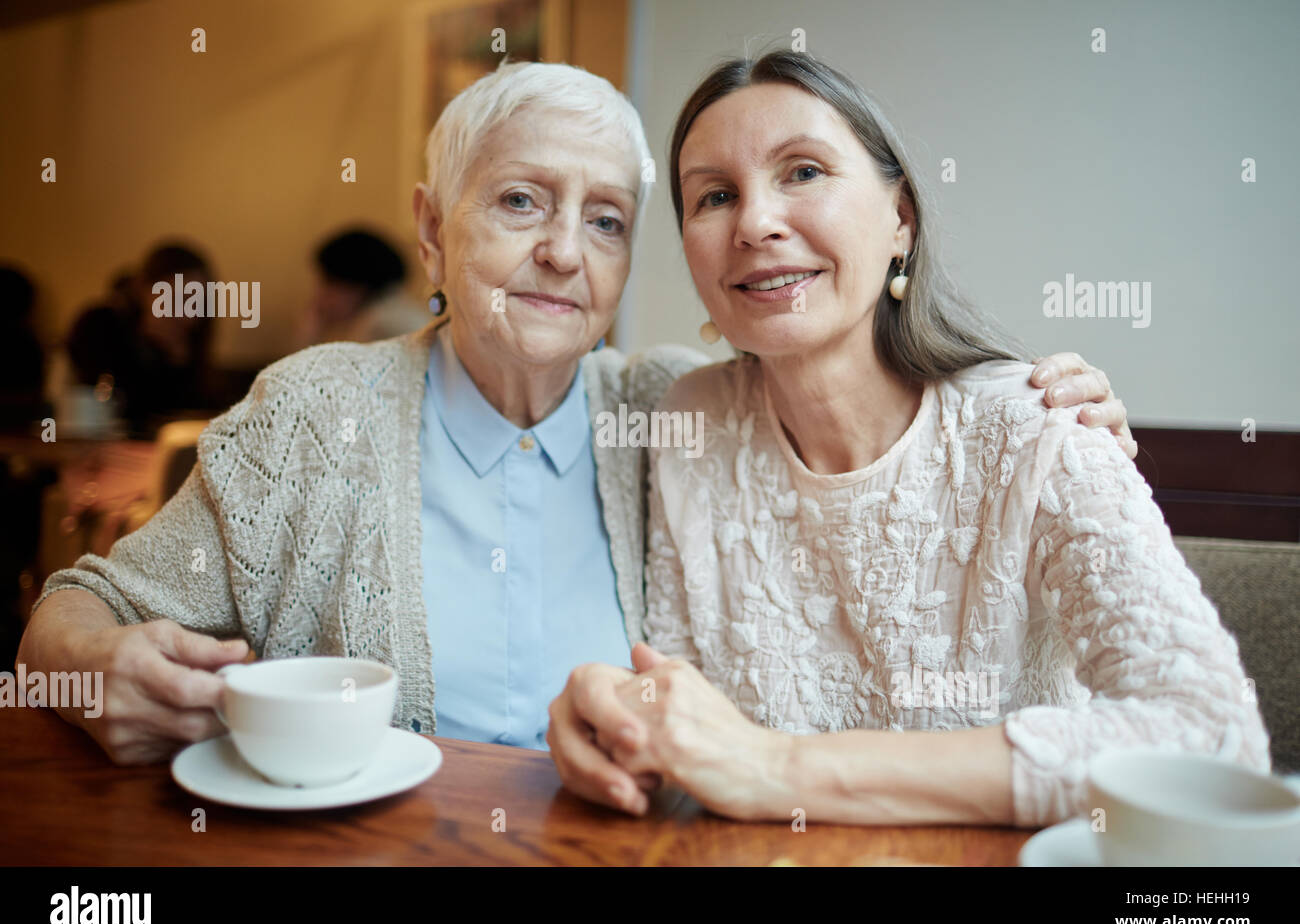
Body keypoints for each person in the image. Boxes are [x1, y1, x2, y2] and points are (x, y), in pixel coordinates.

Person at [18, 60, 1131, 773]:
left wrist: (1046, 417)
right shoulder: (315, 413)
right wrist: (91, 667)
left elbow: (868, 426)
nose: (562, 250)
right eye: (518, 201)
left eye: (605, 221)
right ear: (429, 229)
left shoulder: (676, 412)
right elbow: (71, 607)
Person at [545, 51, 1269, 828]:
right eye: (716, 196)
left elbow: (1215, 742)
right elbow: (681, 732)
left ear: (901, 221)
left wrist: (780, 770)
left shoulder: (1040, 425)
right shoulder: (692, 423)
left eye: (804, 172)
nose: (755, 222)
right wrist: (610, 723)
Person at [65, 242, 219, 435]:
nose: (188, 315)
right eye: (179, 299)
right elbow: (103, 400)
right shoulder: (101, 324)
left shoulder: (191, 346)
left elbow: (193, 414)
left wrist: (176, 362)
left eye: (198, 304)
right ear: (146, 289)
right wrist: (155, 352)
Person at [299, 228, 430, 346]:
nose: (319, 295)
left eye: (328, 283)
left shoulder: (382, 324)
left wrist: (309, 334)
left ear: (357, 286)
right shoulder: (393, 310)